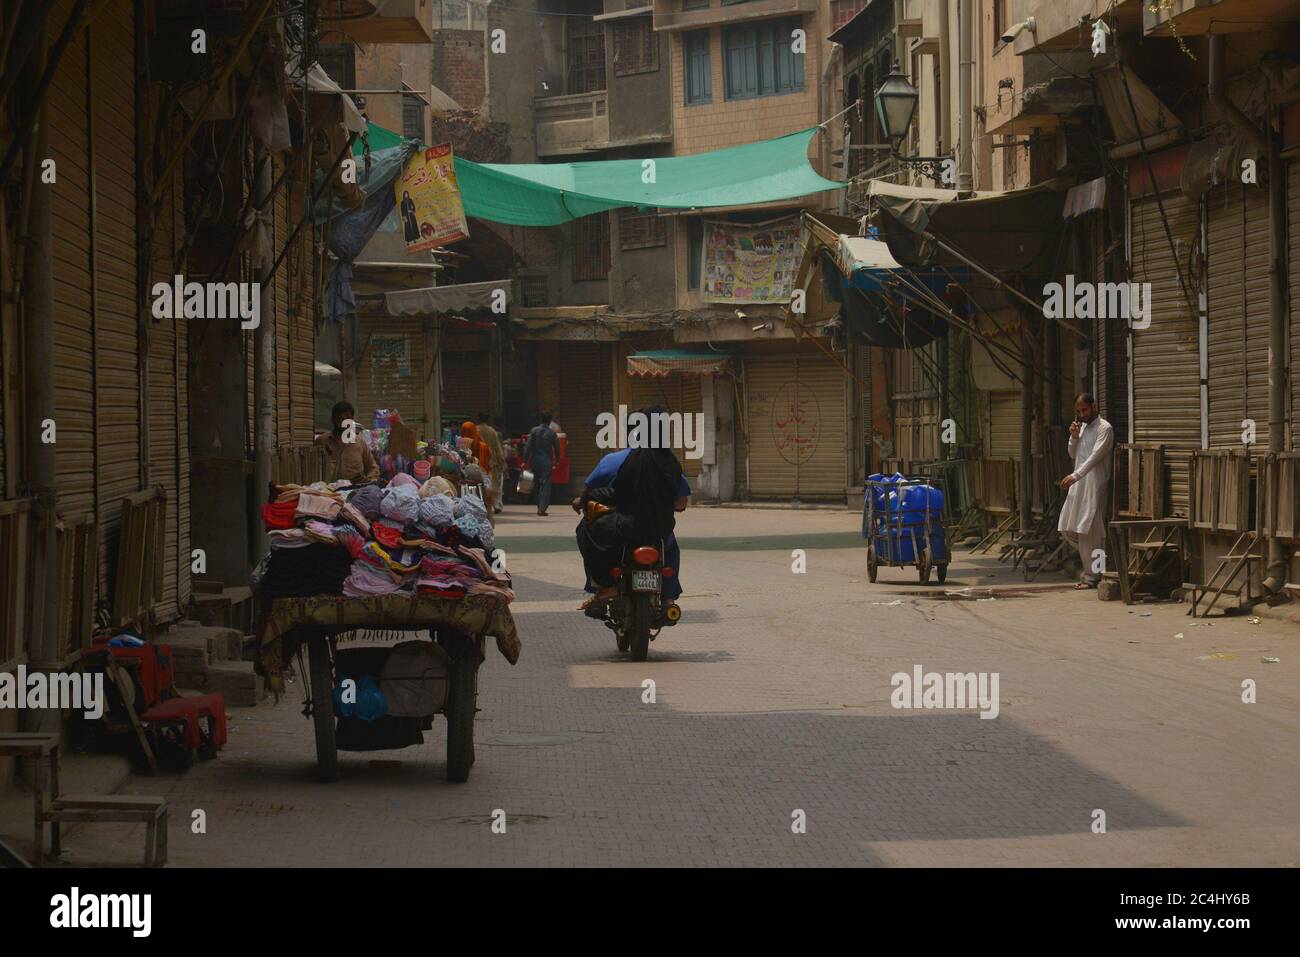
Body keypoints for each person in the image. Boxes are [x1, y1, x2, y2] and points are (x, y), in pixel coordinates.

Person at [573, 407, 690, 609]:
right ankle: (668, 598)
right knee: (670, 547)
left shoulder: (613, 460)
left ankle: (604, 586)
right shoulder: (669, 462)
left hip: (621, 531)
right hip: (658, 532)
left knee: (585, 530)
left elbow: (587, 491)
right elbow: (681, 503)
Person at [1058, 393, 1114, 589]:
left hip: (1094, 486)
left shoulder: (1104, 428)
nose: (1082, 414)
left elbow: (1095, 457)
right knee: (1073, 528)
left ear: (1094, 407)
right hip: (1079, 485)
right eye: (1079, 411)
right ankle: (1091, 572)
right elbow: (1074, 454)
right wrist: (1073, 437)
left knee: (1095, 533)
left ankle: (1095, 575)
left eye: (1085, 410)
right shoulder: (1082, 429)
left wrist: (1075, 476)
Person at [315, 401, 380, 483]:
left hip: (355, 491)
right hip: (329, 492)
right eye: (340, 419)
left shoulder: (360, 442)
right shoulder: (322, 441)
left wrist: (368, 481)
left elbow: (372, 468)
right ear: (332, 419)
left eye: (347, 419)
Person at [523, 411, 560, 516]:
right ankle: (542, 508)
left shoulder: (534, 430)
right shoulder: (552, 433)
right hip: (547, 462)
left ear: (541, 419)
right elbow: (557, 448)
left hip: (535, 461)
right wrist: (557, 460)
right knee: (545, 485)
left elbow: (528, 447)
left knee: (536, 484)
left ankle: (539, 505)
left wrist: (525, 461)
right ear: (550, 421)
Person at [478, 412, 507, 514]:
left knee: (481, 484)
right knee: (495, 483)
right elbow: (497, 447)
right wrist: (502, 460)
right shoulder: (492, 431)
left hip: (478, 460)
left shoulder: (476, 430)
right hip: (491, 461)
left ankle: (482, 504)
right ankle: (497, 505)